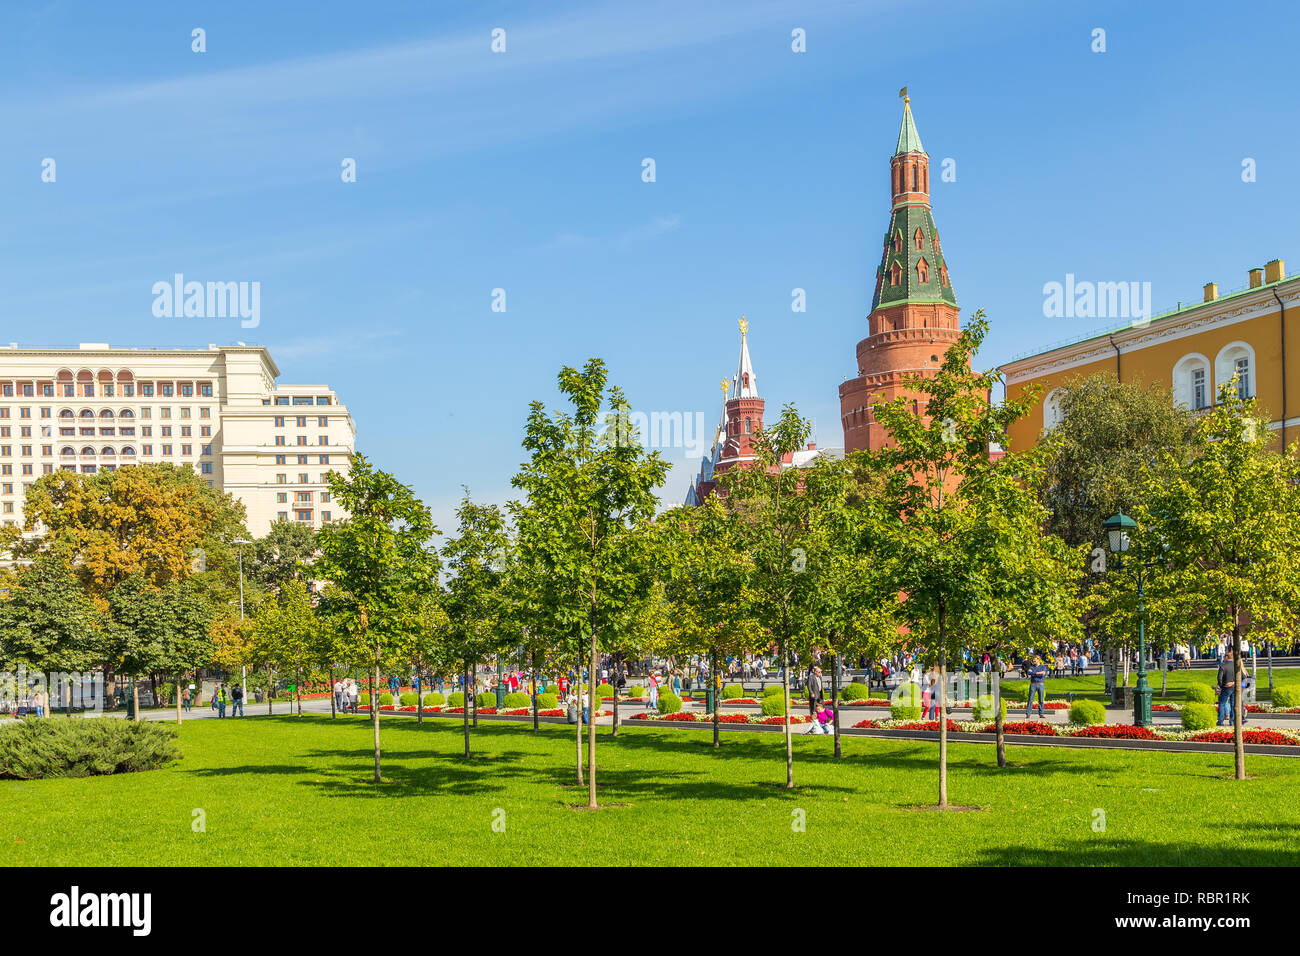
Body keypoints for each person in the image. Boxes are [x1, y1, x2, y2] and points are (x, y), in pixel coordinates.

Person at [1217, 648, 1237, 726]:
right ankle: (1232, 721)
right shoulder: (1236, 666)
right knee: (1233, 704)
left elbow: (1219, 678)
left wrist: (1222, 685)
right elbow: (1242, 676)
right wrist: (1234, 683)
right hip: (1234, 687)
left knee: (1222, 703)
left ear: (1226, 657)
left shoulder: (1223, 666)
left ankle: (1220, 720)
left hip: (1226, 687)